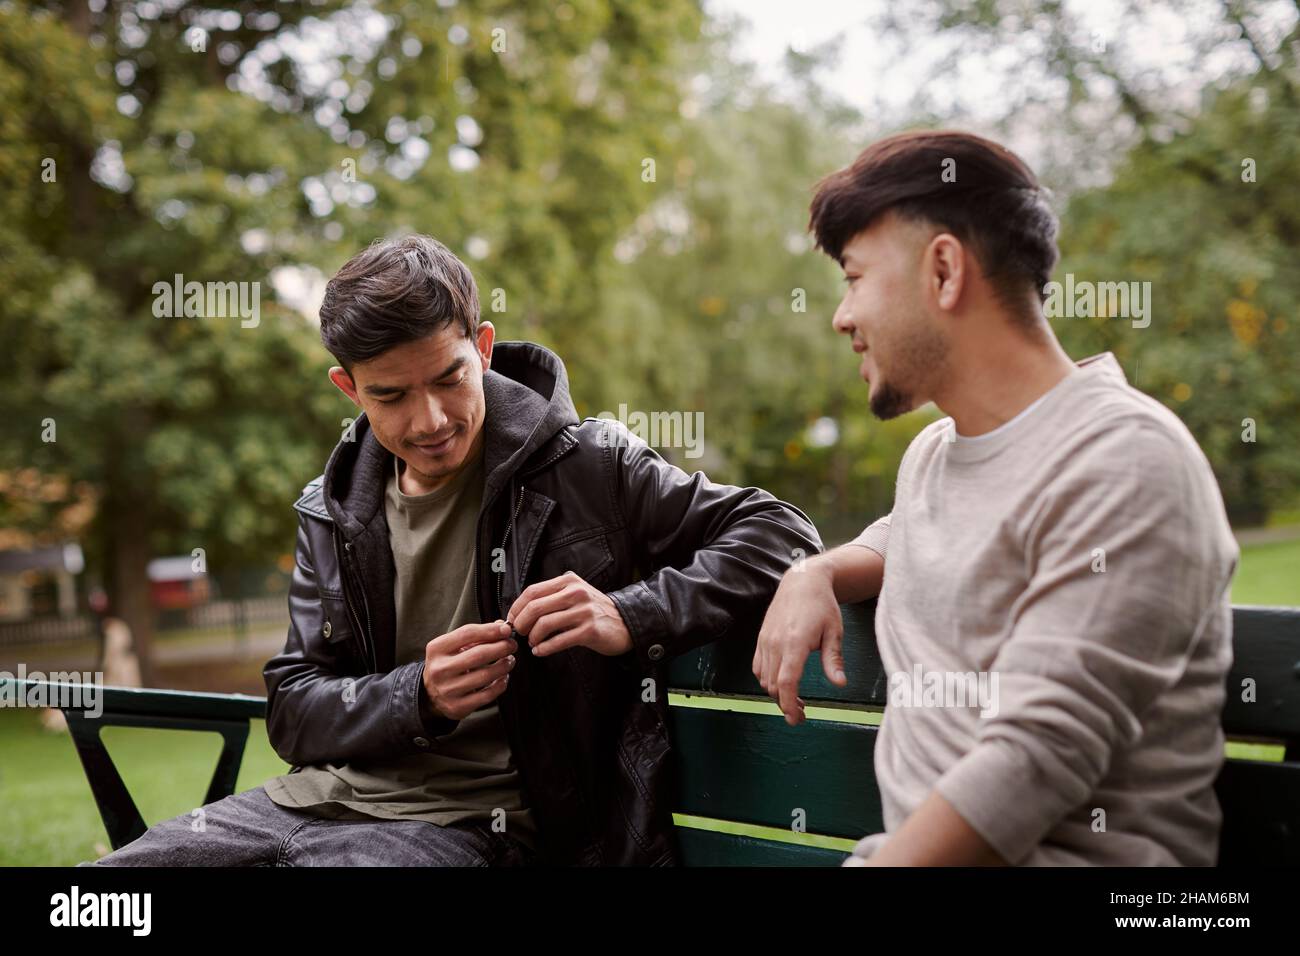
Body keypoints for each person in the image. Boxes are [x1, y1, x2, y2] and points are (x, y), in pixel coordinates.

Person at [89, 234, 820, 866]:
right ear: (349, 389)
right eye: (392, 396)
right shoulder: (332, 508)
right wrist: (419, 696)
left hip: (479, 827)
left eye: (449, 378)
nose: (430, 419)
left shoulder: (591, 465)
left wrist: (630, 613)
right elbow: (294, 712)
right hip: (311, 803)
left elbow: (780, 533)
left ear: (483, 347)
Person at [755, 130, 1238, 866]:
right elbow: (914, 535)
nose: (842, 317)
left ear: (945, 270)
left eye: (855, 278)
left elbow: (1032, 760)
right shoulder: (937, 456)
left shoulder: (1127, 464)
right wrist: (814, 570)